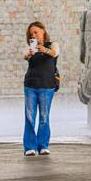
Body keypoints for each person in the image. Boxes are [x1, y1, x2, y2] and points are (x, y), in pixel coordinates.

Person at [21, 21, 59, 157]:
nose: (34, 35)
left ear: (43, 31)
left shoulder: (52, 45)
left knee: (44, 117)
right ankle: (29, 147)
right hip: (30, 86)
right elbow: (24, 55)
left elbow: (55, 53)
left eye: (36, 32)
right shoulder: (30, 47)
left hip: (47, 86)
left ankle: (43, 145)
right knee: (30, 116)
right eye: (31, 33)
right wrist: (29, 54)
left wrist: (45, 50)